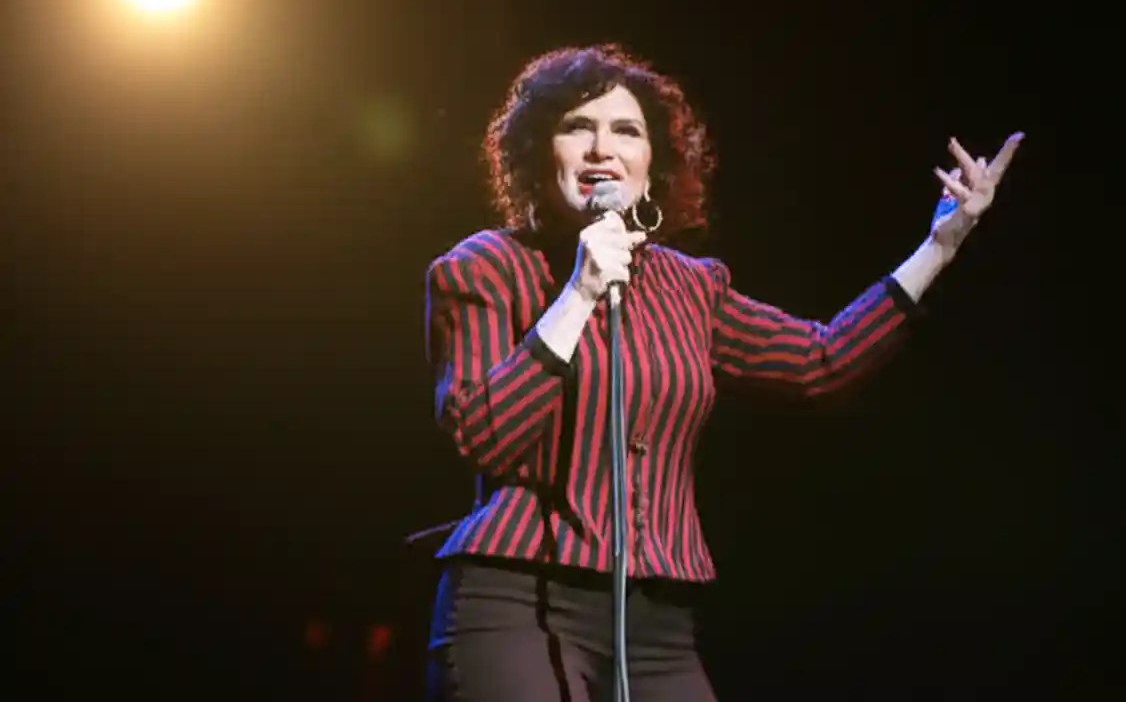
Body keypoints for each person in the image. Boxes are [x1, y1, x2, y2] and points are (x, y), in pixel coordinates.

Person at [420, 42, 1023, 701]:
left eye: (626, 131)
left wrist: (942, 244)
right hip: (516, 604)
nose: (601, 148)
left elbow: (821, 361)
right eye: (577, 128)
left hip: (657, 624)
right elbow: (481, 432)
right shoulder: (484, 268)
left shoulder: (692, 288)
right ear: (543, 155)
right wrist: (580, 294)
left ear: (652, 167)